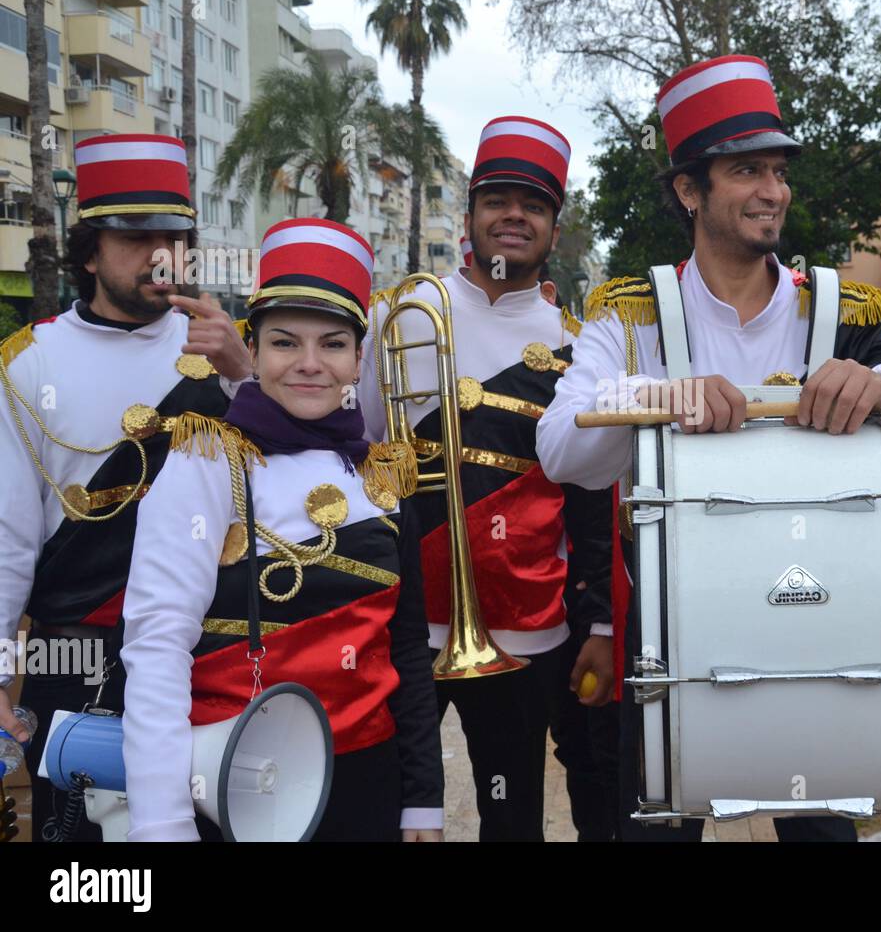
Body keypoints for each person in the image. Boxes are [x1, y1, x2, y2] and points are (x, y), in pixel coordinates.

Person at [536, 54, 881, 842]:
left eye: (778, 170)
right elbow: (560, 445)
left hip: (820, 625)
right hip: (671, 639)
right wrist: (664, 396)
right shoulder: (631, 315)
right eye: (746, 171)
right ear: (689, 190)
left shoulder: (843, 310)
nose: (774, 191)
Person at [119, 217, 443, 841]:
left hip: (366, 789)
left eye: (333, 344)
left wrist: (423, 804)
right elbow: (157, 648)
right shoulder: (205, 461)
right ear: (255, 349)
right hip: (236, 785)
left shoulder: (383, 475)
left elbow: (406, 651)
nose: (310, 365)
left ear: (358, 360)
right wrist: (162, 825)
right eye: (285, 342)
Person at [359, 117, 616, 841]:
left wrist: (596, 618)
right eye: (497, 198)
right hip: (403, 622)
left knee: (511, 818)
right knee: (388, 811)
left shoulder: (579, 344)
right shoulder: (398, 316)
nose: (514, 216)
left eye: (533, 205)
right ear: (469, 212)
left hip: (524, 630)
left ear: (554, 228)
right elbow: (359, 450)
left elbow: (592, 501)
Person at [0, 134, 249, 841]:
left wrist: (244, 377)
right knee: (83, 864)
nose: (161, 254)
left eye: (174, 236)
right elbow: (9, 537)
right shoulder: (29, 363)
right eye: (136, 238)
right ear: (87, 253)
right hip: (73, 655)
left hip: (206, 649)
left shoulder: (220, 346)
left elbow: (284, 481)